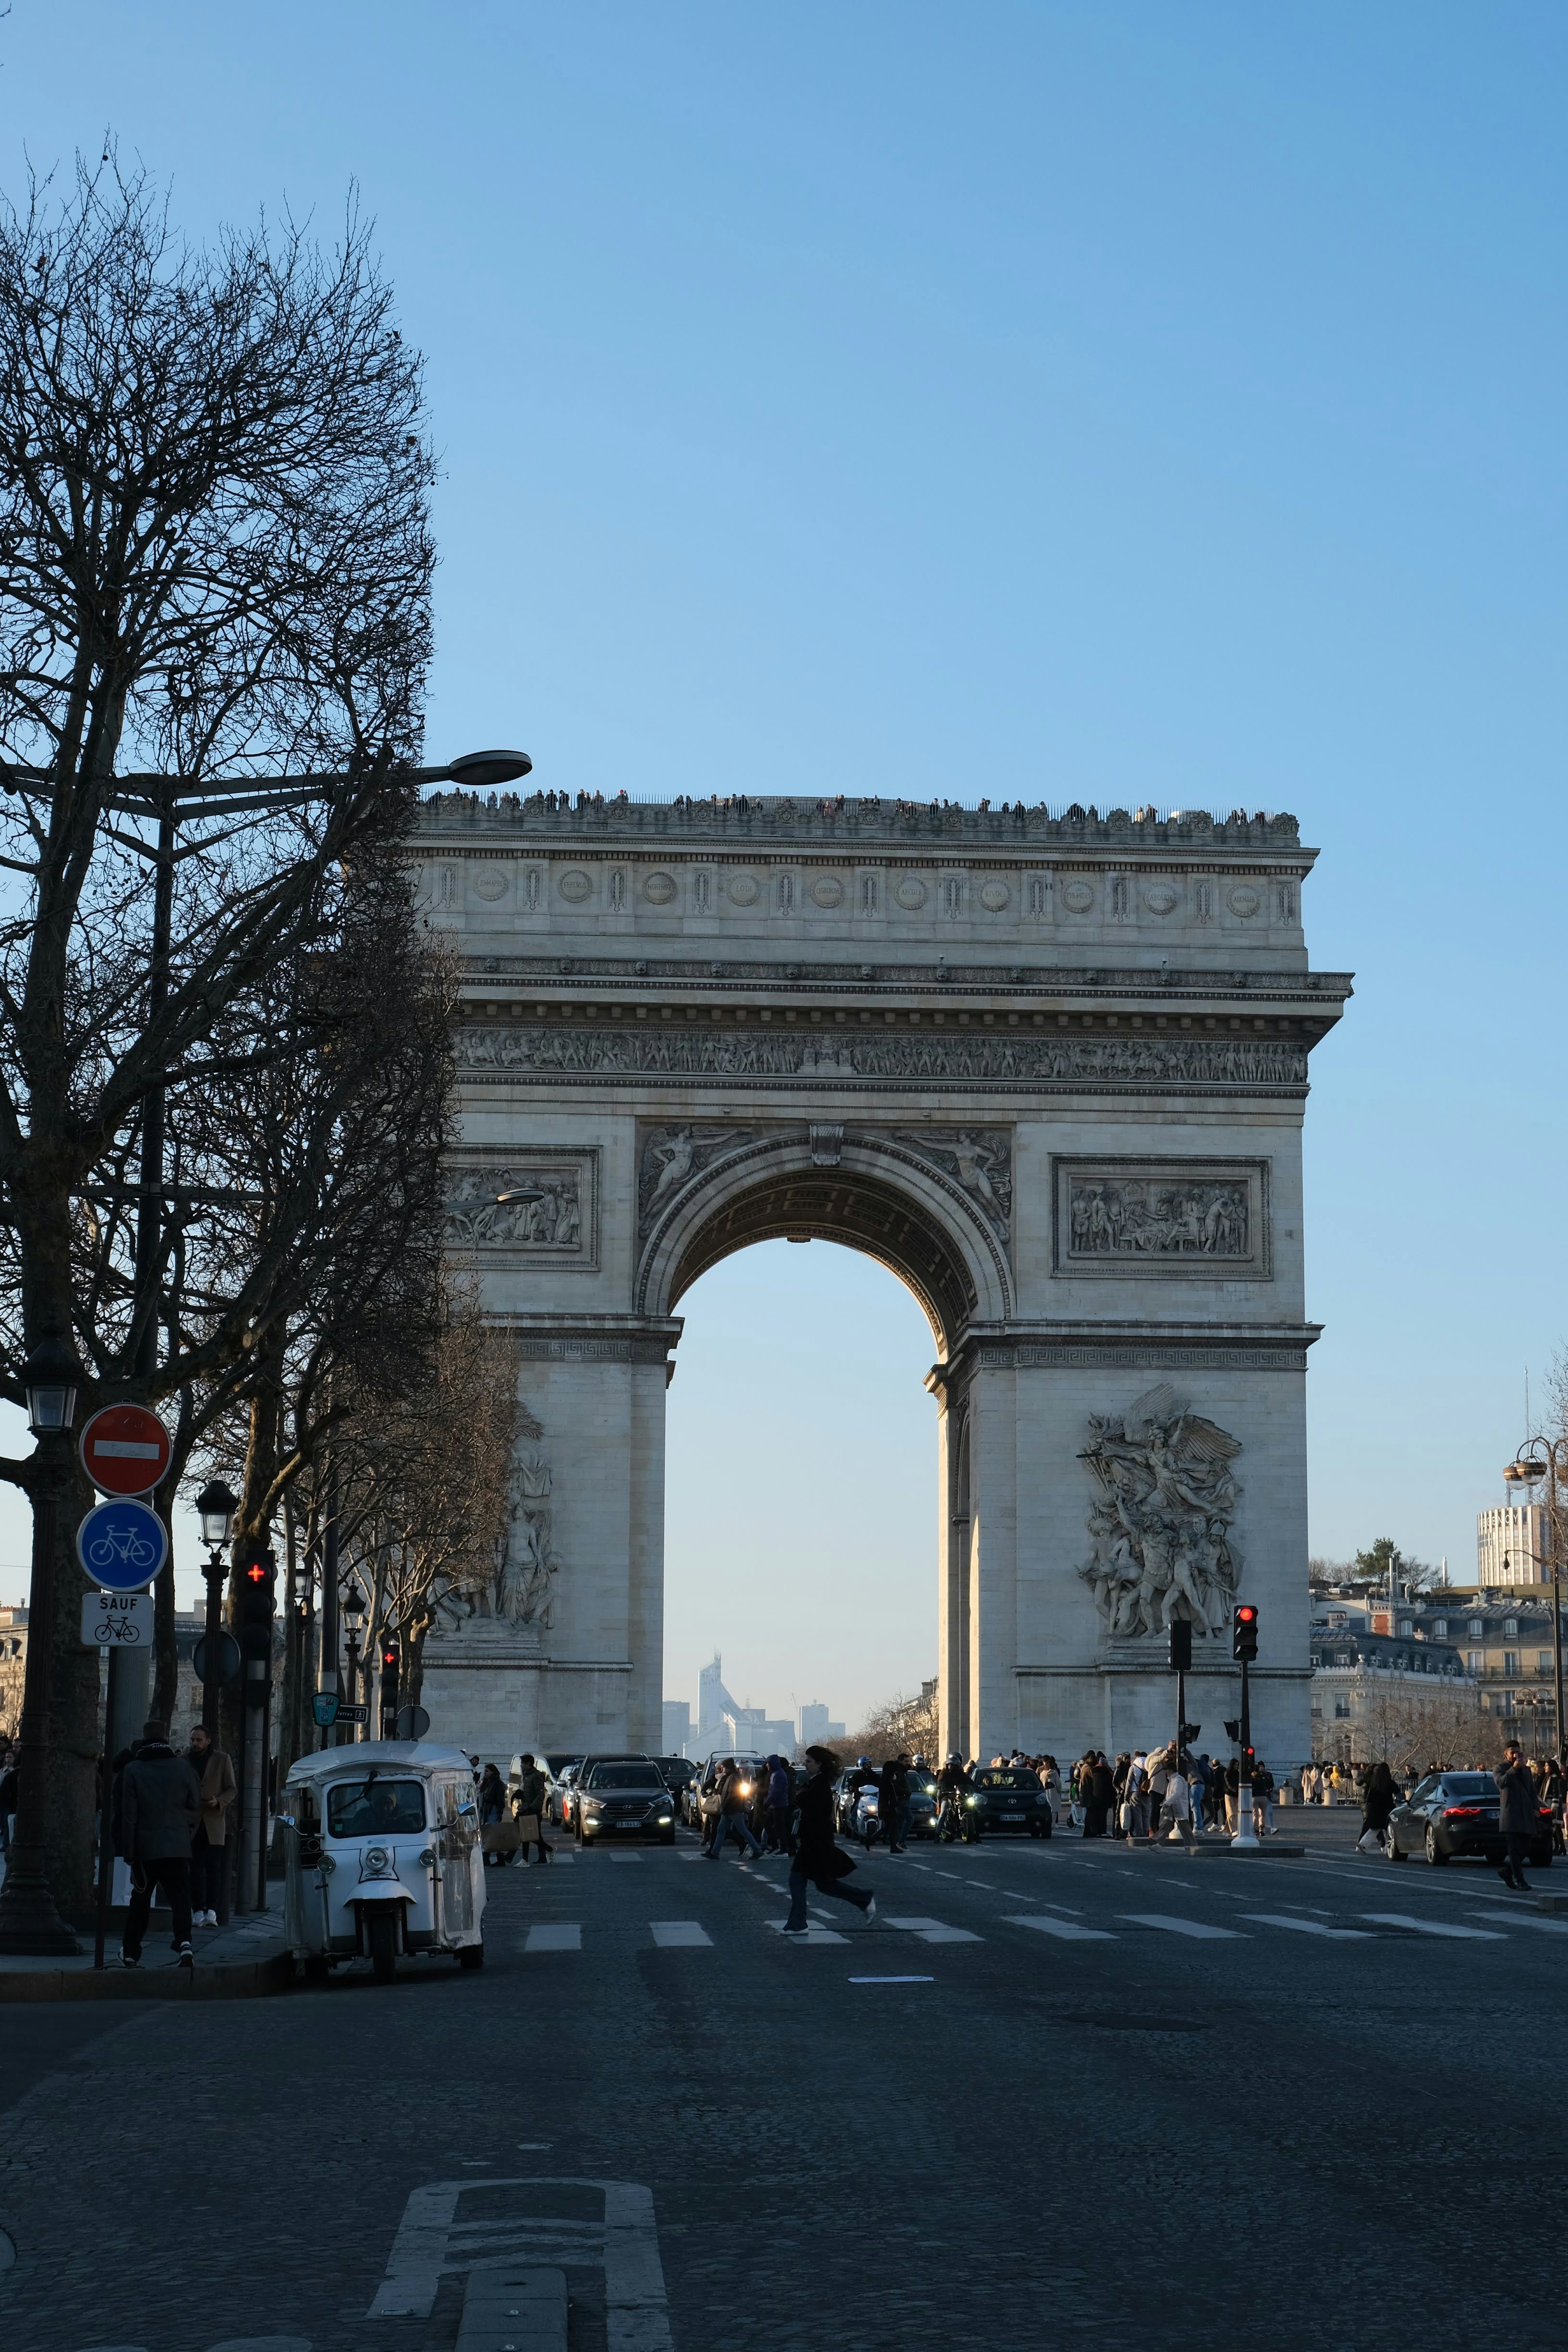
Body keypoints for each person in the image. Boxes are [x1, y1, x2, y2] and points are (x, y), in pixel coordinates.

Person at [119, 1717, 202, 1970]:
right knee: (180, 1897)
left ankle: (132, 1951)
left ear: (144, 1739)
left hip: (146, 1847)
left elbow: (128, 1815)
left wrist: (129, 1851)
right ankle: (185, 1943)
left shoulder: (134, 1770)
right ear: (166, 1737)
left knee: (140, 1900)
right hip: (177, 1845)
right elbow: (195, 1804)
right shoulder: (183, 1767)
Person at [783, 1745, 875, 1935]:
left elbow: (815, 1812)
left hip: (816, 1842)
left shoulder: (820, 1786)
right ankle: (864, 1898)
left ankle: (798, 1924)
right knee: (825, 1885)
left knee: (798, 1880)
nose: (806, 1764)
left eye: (809, 1761)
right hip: (814, 1841)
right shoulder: (816, 1782)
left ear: (819, 1764)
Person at [187, 1722, 236, 1926]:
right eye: (192, 1740)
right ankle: (197, 1910)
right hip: (192, 1822)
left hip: (214, 1821)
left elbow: (231, 1789)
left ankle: (212, 1910)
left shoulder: (222, 1760)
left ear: (208, 1741)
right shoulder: (184, 1760)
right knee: (195, 1868)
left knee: (213, 1868)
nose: (195, 1743)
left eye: (199, 1740)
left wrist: (219, 1802)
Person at [1496, 1739, 1538, 1891]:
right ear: (1506, 1753)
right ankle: (1520, 1880)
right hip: (1511, 1815)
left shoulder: (1526, 1770)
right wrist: (1513, 1769)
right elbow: (1501, 1783)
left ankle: (1507, 1871)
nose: (1515, 1755)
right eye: (1512, 1752)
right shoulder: (1500, 1768)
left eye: (1517, 1752)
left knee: (1526, 1848)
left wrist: (1536, 1808)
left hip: (1526, 1814)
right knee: (1514, 1850)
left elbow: (1532, 1792)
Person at [706, 1758, 764, 1863]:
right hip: (731, 1809)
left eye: (723, 1768)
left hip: (733, 1809)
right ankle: (715, 1853)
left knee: (743, 1831)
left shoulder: (733, 1778)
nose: (722, 1770)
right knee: (721, 1830)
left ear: (727, 1768)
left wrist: (726, 1806)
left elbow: (733, 1795)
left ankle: (757, 1850)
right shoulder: (732, 1777)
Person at [511, 1753, 552, 1864]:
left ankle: (526, 1858)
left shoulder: (536, 1776)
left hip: (532, 1810)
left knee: (530, 1835)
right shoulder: (527, 1776)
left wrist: (533, 1807)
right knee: (532, 1834)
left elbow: (540, 1794)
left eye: (522, 1763)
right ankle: (542, 1857)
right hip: (525, 1808)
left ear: (529, 1764)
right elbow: (526, 1791)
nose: (521, 1766)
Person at [1358, 1758, 1397, 1855]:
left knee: (1374, 1829)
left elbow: (1370, 1796)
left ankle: (1363, 1843)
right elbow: (1397, 1790)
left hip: (1375, 1809)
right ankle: (1389, 1849)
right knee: (1389, 1830)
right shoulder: (1389, 1782)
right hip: (1388, 1808)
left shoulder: (1374, 1782)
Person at [879, 1750, 912, 1853]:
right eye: (906, 1761)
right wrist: (906, 1792)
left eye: (908, 1761)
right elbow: (894, 1788)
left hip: (900, 1801)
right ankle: (900, 1842)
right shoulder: (897, 1773)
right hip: (897, 1801)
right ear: (900, 1761)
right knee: (909, 1819)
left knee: (897, 1823)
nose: (908, 1763)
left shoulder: (904, 1772)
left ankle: (896, 1843)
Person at [762, 1755, 791, 1853]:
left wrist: (767, 1803)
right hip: (775, 1805)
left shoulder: (778, 1775)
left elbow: (776, 1792)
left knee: (779, 1827)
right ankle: (776, 1847)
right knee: (770, 1825)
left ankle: (783, 1849)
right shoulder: (775, 1773)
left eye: (768, 1764)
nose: (766, 1765)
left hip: (779, 1805)